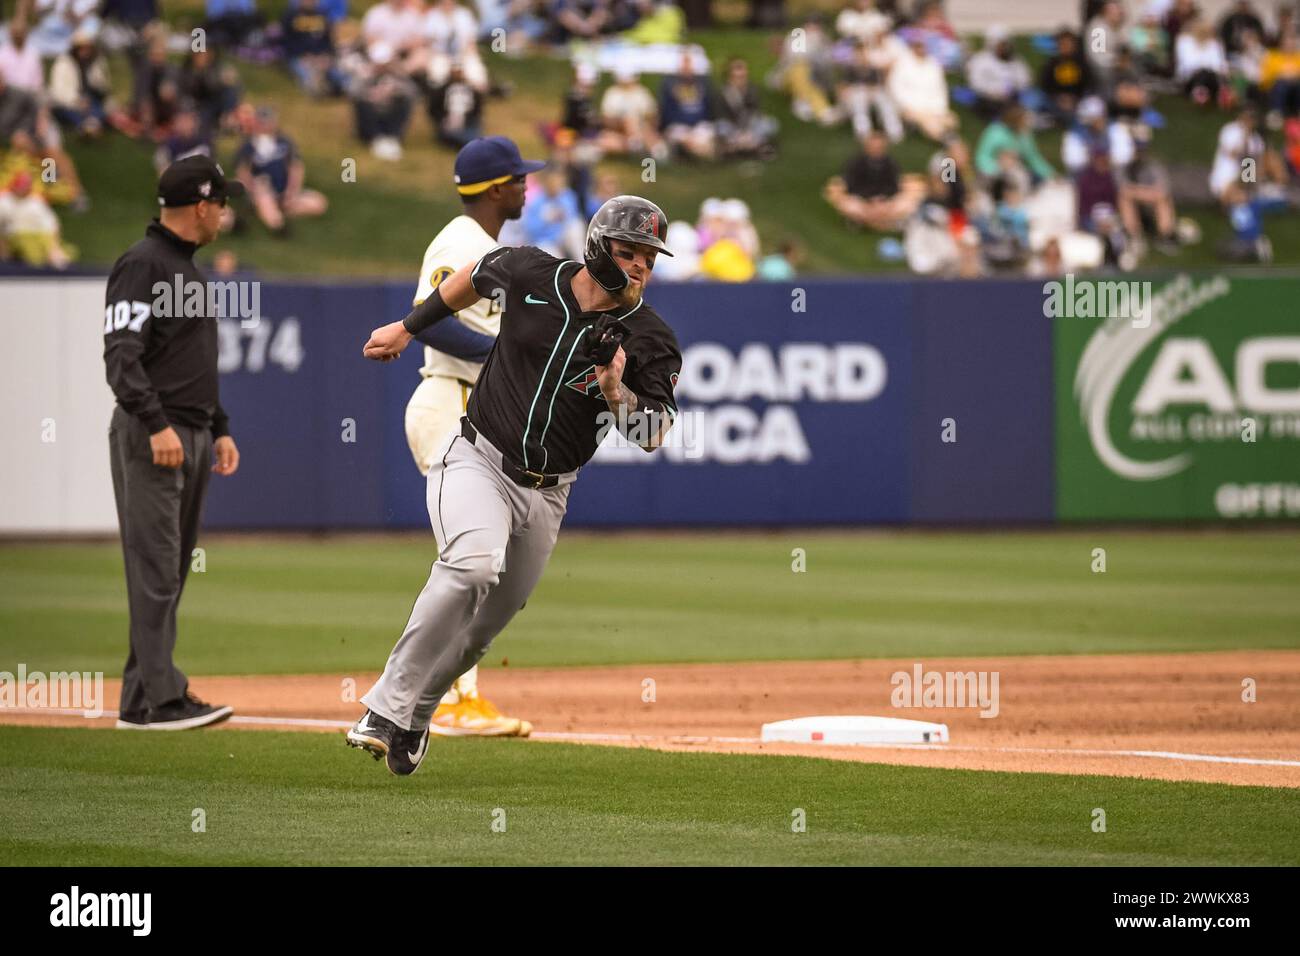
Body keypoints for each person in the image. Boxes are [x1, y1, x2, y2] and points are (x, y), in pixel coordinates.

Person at [348, 195, 682, 774]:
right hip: (478, 457)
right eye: (630, 253)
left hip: (551, 491)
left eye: (649, 260)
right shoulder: (531, 271)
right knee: (472, 566)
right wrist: (407, 327)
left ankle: (416, 715)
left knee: (480, 633)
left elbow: (652, 432)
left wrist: (614, 390)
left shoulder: (648, 336)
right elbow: (470, 280)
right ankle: (383, 709)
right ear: (599, 245)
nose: (639, 269)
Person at [400, 136, 545, 737]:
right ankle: (451, 699)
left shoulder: (489, 247)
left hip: (474, 410)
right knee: (472, 558)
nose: (526, 186)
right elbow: (434, 323)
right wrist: (507, 354)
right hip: (449, 405)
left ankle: (456, 694)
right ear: (493, 189)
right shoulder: (460, 242)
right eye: (517, 178)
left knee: (488, 558)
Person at [103, 155, 244, 731]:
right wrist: (157, 424)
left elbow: (189, 363)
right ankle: (163, 700)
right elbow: (122, 356)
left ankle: (140, 702)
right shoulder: (143, 265)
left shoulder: (184, 267)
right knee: (157, 569)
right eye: (222, 202)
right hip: (153, 434)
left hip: (188, 430)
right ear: (201, 205)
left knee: (171, 570)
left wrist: (219, 426)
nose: (226, 213)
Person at [234, 106, 328, 235]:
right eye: (261, 123)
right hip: (261, 191)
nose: (264, 126)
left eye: (267, 122)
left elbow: (296, 168)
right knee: (264, 197)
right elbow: (243, 172)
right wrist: (253, 189)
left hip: (283, 191)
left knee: (319, 203)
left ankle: (279, 209)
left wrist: (291, 192)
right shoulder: (248, 145)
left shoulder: (284, 142)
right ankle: (278, 226)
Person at [824, 128, 923, 231]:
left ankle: (866, 222)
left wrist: (882, 199)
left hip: (885, 204)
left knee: (908, 204)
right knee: (848, 205)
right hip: (863, 203)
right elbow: (851, 186)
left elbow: (894, 186)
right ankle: (883, 222)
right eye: (873, 146)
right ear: (866, 146)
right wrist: (870, 200)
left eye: (879, 146)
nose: (876, 149)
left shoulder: (891, 163)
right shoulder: (854, 163)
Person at [887, 31, 955, 141]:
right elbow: (896, 88)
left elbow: (941, 88)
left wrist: (940, 106)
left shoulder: (933, 64)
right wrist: (908, 107)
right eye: (918, 46)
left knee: (951, 121)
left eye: (923, 46)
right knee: (930, 124)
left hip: (934, 106)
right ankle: (948, 142)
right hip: (911, 106)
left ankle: (947, 139)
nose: (921, 49)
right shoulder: (902, 64)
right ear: (912, 47)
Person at [658, 51, 716, 159]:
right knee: (684, 138)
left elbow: (709, 109)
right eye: (684, 63)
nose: (687, 66)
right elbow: (666, 112)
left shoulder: (704, 84)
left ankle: (695, 152)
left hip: (700, 126)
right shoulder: (669, 85)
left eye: (689, 63)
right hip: (679, 127)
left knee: (704, 136)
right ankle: (699, 153)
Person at [1038, 27, 1094, 126]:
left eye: (1068, 44)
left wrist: (1075, 99)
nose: (1065, 47)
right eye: (1062, 44)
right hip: (1056, 100)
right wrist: (1059, 98)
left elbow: (1089, 84)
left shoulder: (1081, 63)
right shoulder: (1052, 63)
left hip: (1077, 100)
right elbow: (1045, 85)